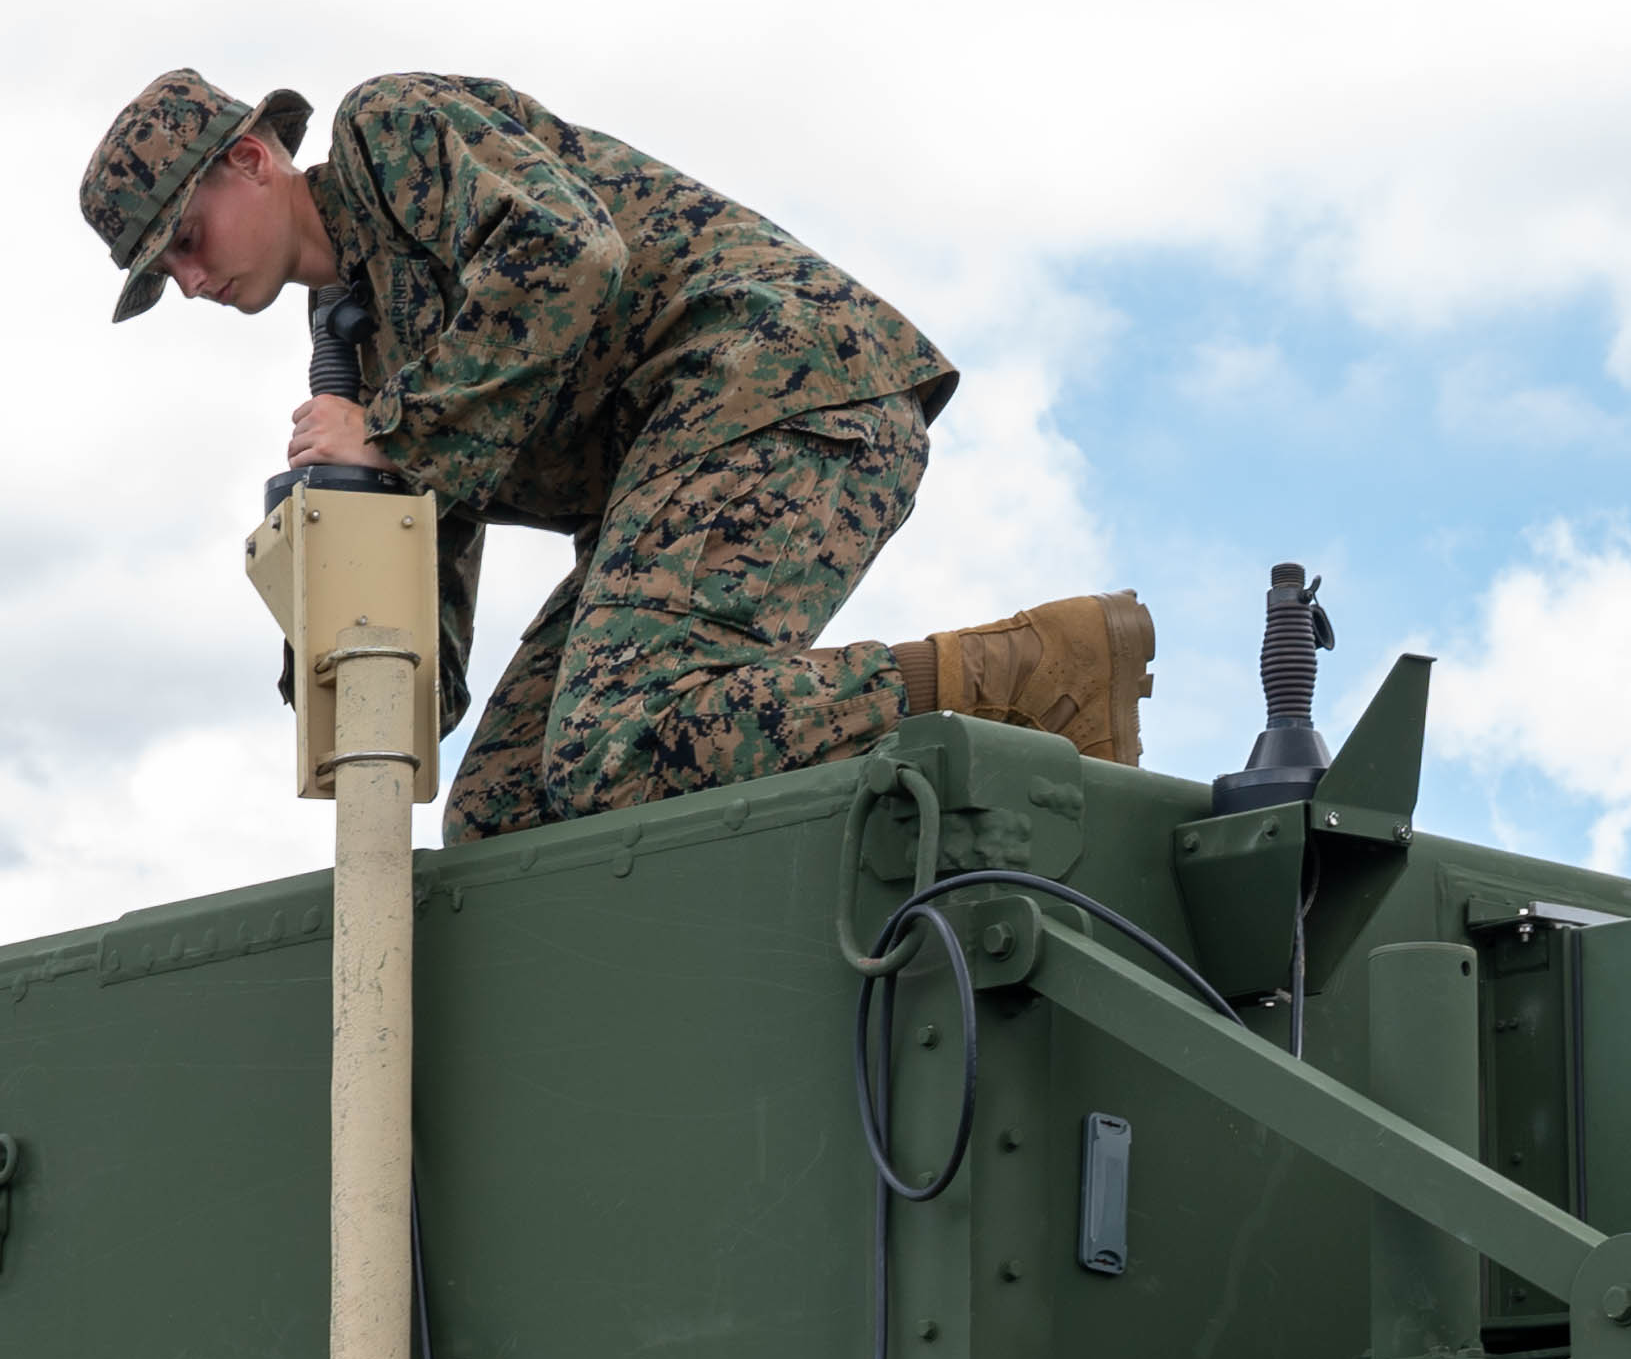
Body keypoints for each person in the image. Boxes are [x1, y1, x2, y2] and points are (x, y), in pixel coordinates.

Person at [76, 68, 1153, 841]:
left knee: (611, 741)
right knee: (505, 808)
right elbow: (426, 554)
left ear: (254, 161)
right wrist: (351, 656)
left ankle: (1026, 672)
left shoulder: (387, 134)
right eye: (161, 269)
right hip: (686, 451)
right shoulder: (359, 342)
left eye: (186, 238)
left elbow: (567, 249)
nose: (189, 278)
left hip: (780, 378)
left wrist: (388, 434)